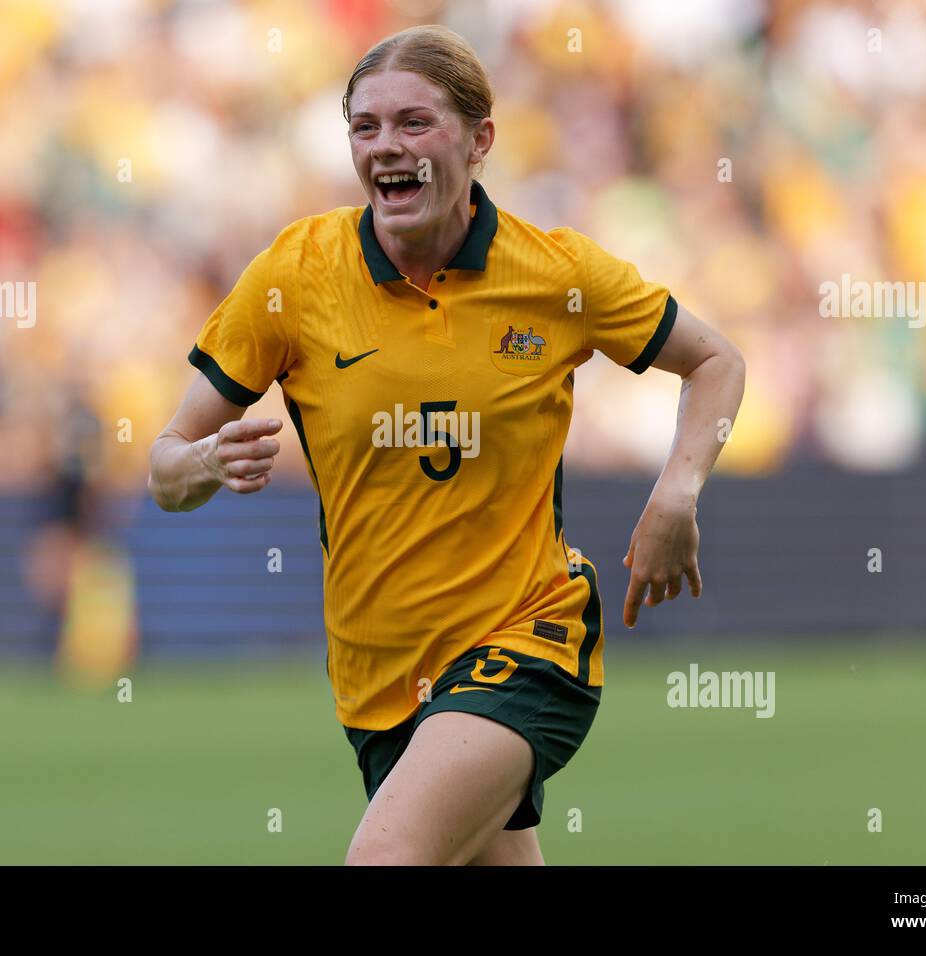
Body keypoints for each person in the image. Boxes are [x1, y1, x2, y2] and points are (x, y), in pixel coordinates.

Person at [148, 25, 745, 865]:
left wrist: (678, 491)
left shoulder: (554, 274)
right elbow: (164, 466)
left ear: (480, 138)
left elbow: (716, 361)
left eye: (414, 122)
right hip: (378, 682)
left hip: (528, 639)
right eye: (365, 127)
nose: (386, 145)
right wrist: (208, 462)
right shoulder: (294, 277)